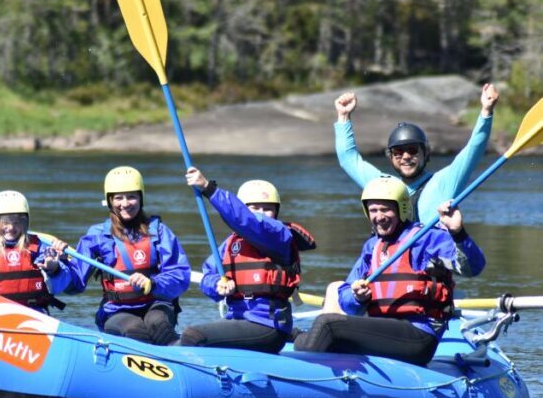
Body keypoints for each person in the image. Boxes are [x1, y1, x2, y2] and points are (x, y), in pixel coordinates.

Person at [294, 177, 485, 365]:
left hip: (419, 335)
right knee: (321, 330)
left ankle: (300, 374)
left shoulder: (426, 238)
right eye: (373, 210)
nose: (379, 216)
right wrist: (357, 296)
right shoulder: (372, 246)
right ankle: (296, 341)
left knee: (328, 325)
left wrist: (458, 232)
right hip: (382, 332)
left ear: (402, 209)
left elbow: (473, 267)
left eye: (385, 209)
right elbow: (347, 302)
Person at [179, 167, 316, 353]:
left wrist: (208, 188)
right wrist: (217, 284)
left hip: (268, 325)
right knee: (185, 338)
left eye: (268, 209)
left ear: (276, 212)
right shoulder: (231, 243)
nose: (261, 213)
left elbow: (249, 220)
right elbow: (208, 274)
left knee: (193, 336)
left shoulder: (278, 235)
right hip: (237, 319)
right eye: (254, 208)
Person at [334, 83, 499, 223]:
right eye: (398, 152)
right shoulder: (382, 185)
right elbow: (348, 159)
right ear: (390, 157)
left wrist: (486, 112)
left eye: (412, 150)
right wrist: (343, 116)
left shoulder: (443, 182)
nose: (405, 157)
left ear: (425, 153)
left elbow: (474, 150)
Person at [73, 166, 191, 345]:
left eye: (131, 196)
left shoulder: (158, 231)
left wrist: (153, 283)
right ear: (110, 201)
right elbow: (74, 283)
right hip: (116, 311)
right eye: (119, 197)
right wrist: (54, 268)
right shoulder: (96, 235)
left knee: (157, 323)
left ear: (140, 199)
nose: (125, 203)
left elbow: (180, 275)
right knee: (134, 329)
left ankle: (181, 361)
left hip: (155, 303)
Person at [0, 190, 79, 314]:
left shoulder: (39, 248)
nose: (10, 228)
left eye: (17, 222)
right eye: (5, 222)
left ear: (25, 223)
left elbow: (60, 286)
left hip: (33, 316)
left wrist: (54, 269)